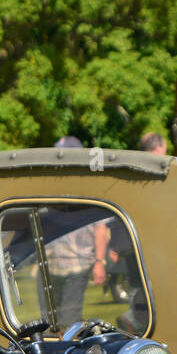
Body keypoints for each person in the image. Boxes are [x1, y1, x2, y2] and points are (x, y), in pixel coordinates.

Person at [41, 136, 109, 328]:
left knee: (69, 321)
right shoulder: (49, 186)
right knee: (48, 323)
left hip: (78, 265)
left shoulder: (89, 188)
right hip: (50, 266)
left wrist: (99, 262)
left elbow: (100, 228)